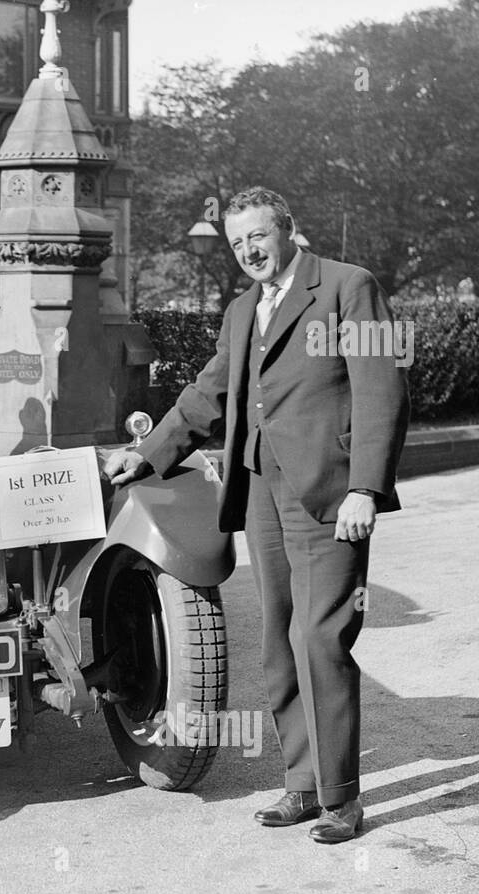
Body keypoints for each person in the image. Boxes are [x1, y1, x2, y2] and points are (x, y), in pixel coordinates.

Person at [103, 187, 409, 844]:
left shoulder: (349, 287)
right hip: (261, 491)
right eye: (238, 243)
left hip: (328, 492)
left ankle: (342, 800)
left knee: (320, 640)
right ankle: (303, 785)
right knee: (279, 639)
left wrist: (366, 488)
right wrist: (147, 453)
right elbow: (209, 392)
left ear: (289, 230)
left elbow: (382, 391)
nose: (249, 252)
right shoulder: (243, 309)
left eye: (258, 237)